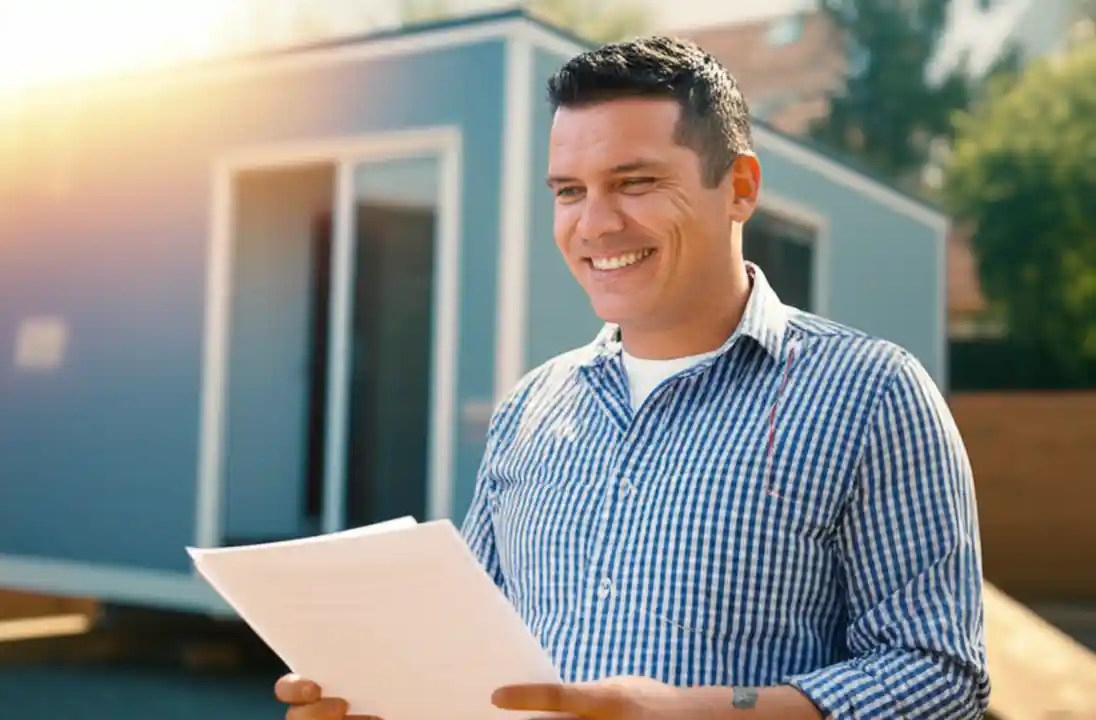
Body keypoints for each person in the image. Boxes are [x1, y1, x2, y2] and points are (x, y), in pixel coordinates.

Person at [277, 36, 990, 719]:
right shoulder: (530, 408)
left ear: (739, 187)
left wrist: (701, 714)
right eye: (568, 191)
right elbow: (475, 661)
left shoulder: (871, 395)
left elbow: (940, 673)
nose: (594, 224)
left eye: (635, 183)